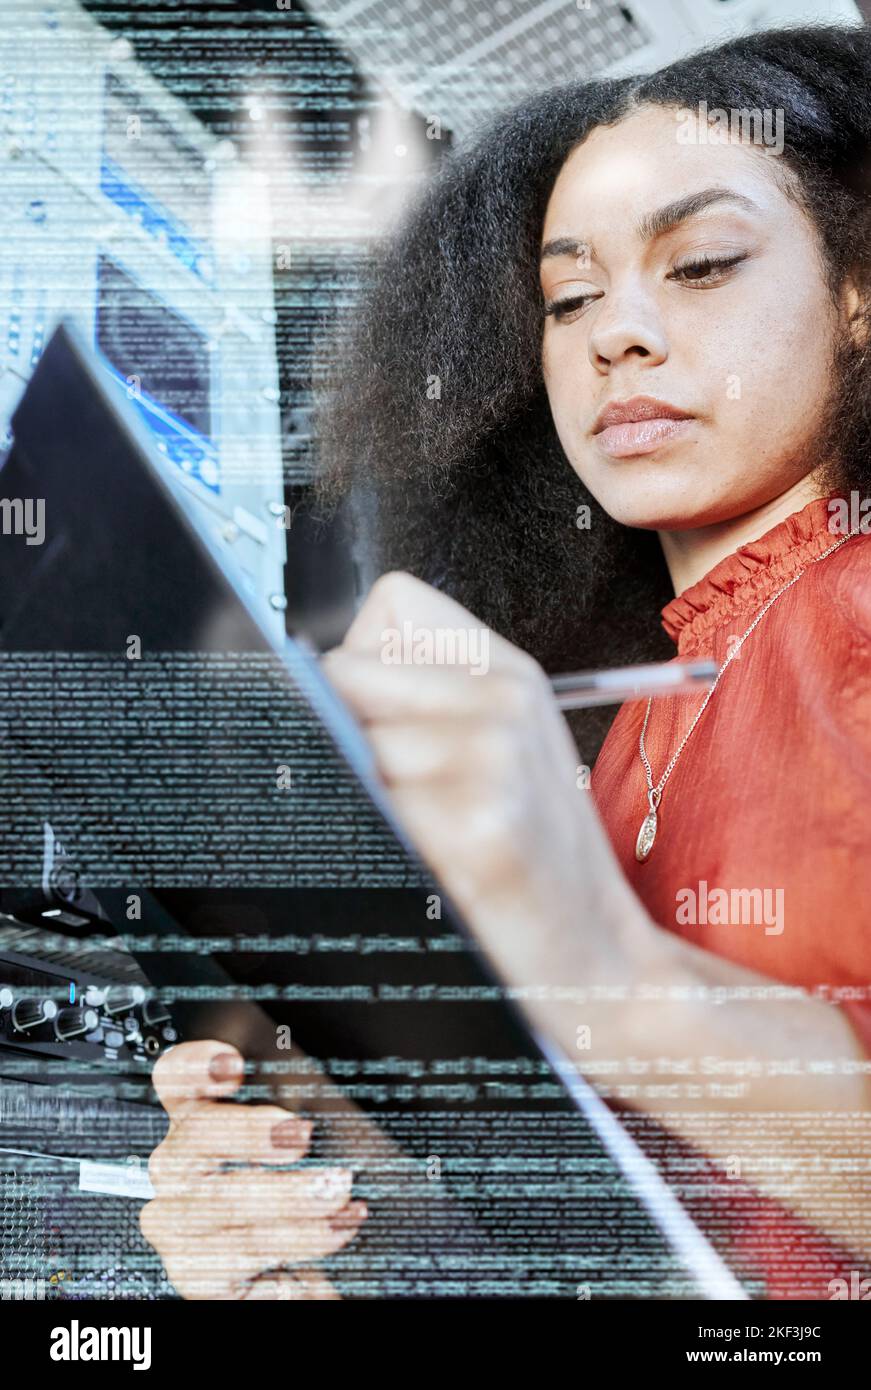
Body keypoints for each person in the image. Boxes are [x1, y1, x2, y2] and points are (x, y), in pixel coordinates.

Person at [141, 22, 871, 1299]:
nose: (616, 335)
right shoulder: (617, 734)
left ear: (856, 296)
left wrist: (610, 977)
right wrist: (298, 1180)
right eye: (568, 296)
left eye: (698, 264)